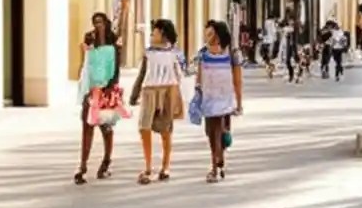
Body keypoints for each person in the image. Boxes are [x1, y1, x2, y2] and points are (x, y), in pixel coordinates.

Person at [129, 19, 184, 184]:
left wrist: (177, 97)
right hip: (149, 90)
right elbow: (142, 73)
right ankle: (148, 167)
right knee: (144, 127)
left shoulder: (174, 53)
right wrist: (134, 94)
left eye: (155, 32)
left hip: (168, 90)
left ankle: (165, 166)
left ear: (163, 34)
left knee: (166, 129)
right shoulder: (148, 53)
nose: (152, 34)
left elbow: (179, 75)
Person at [74, 13, 122, 185]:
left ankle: (106, 162)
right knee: (87, 127)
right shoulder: (90, 38)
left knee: (106, 128)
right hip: (91, 89)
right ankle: (82, 165)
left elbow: (116, 68)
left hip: (106, 90)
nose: (97, 25)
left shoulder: (113, 40)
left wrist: (110, 88)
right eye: (95, 22)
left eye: (100, 22)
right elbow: (86, 64)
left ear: (106, 23)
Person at [196, 20, 243, 183]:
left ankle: (216, 165)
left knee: (221, 132)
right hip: (209, 99)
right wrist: (197, 95)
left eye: (210, 34)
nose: (207, 38)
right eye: (206, 34)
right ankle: (216, 163)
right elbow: (199, 76)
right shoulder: (203, 53)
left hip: (225, 100)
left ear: (218, 35)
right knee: (211, 133)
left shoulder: (232, 54)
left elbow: (237, 80)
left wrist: (239, 103)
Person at [279, 18, 299, 84]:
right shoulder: (286, 28)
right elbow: (282, 31)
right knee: (287, 61)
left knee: (296, 61)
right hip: (288, 46)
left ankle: (297, 75)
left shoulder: (294, 29)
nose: (291, 22)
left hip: (293, 47)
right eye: (290, 21)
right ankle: (291, 74)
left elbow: (293, 34)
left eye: (292, 21)